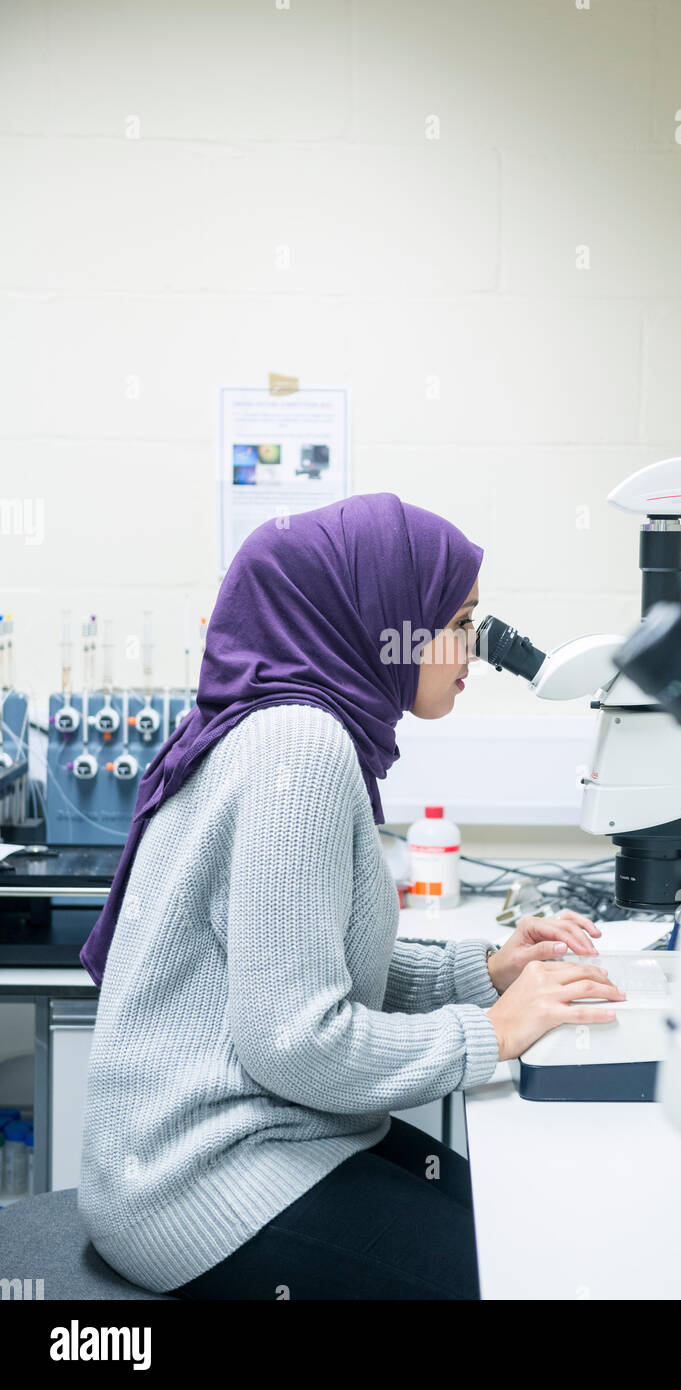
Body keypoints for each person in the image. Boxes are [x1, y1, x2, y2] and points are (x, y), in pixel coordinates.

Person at [76, 493, 624, 1300]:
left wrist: (481, 974)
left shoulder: (280, 726)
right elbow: (296, 1042)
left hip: (226, 1150)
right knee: (526, 1273)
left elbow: (302, 953)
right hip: (195, 1187)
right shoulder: (301, 744)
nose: (472, 647)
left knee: (518, 1221)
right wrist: (491, 1034)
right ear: (383, 620)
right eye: (458, 619)